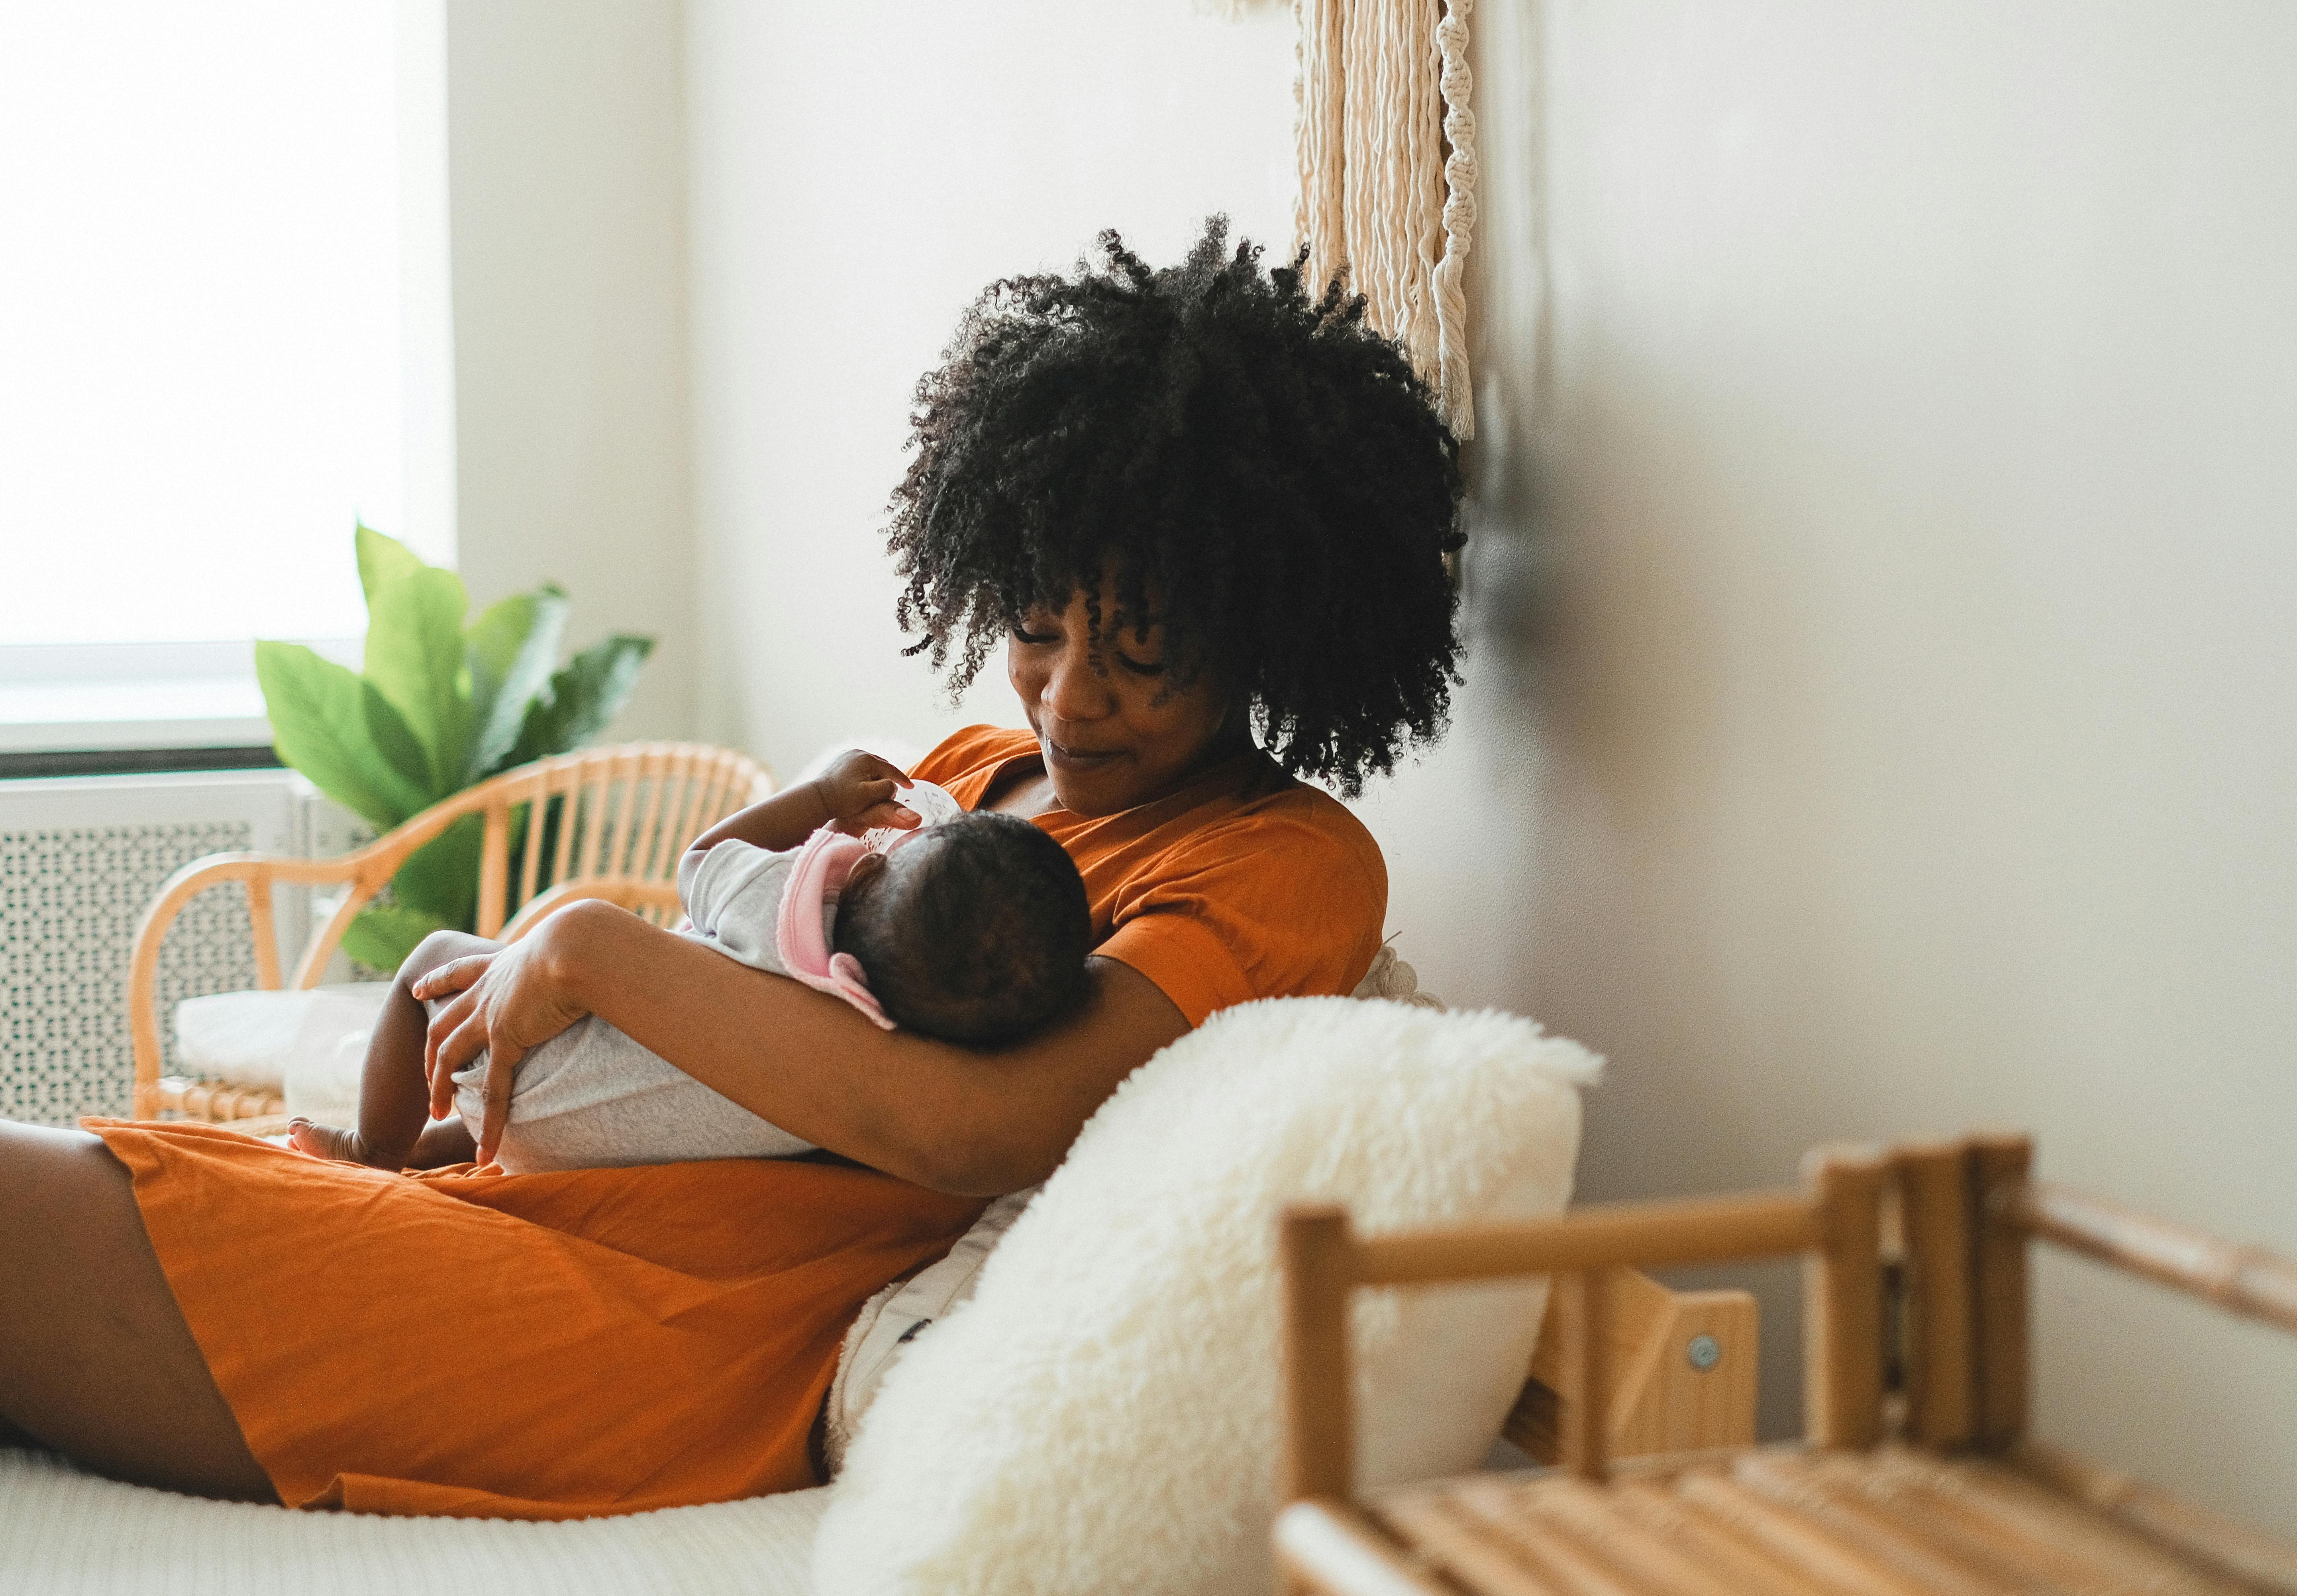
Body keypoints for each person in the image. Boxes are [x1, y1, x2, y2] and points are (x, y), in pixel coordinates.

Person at [0, 218, 1466, 1517]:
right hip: (516, 1179)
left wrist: (585, 945)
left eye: (1143, 652)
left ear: (1269, 638)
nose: (1069, 696)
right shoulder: (963, 772)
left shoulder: (1282, 860)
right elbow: (755, 923)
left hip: (673, 1310)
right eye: (1036, 622)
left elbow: (979, 1130)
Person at [288, 760, 1092, 1174]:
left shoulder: (777, 898)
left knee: (430, 963)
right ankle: (444, 1146)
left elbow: (699, 855)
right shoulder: (879, 1035)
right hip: (620, 1145)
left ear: (881, 863)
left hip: (520, 1071)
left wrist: (816, 794)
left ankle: (375, 1148)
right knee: (614, 1071)